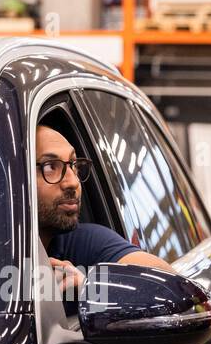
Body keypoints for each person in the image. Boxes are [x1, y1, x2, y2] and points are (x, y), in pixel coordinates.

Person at [33, 121, 172, 297]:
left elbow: (172, 287)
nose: (73, 182)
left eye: (74, 165)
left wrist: (91, 288)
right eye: (50, 166)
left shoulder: (82, 244)